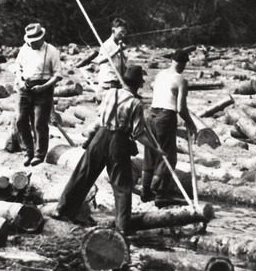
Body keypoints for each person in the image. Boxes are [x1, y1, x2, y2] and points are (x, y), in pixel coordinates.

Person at [56, 65, 162, 234]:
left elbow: (100, 114)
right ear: (139, 85)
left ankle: (62, 210)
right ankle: (122, 228)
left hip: (100, 136)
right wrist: (155, 148)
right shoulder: (136, 103)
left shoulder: (110, 93)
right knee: (121, 186)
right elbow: (138, 134)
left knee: (82, 174)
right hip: (118, 142)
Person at [141, 47, 197, 205]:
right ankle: (159, 193)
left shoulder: (160, 75)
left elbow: (153, 86)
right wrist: (191, 124)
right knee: (168, 156)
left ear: (172, 60)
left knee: (151, 153)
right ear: (183, 64)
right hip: (166, 116)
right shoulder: (181, 80)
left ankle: (145, 190)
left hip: (151, 115)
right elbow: (181, 109)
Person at [14, 22, 61, 166]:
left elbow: (58, 75)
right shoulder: (25, 49)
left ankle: (39, 154)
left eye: (34, 42)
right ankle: (27, 151)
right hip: (25, 87)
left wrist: (44, 86)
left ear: (41, 38)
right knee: (20, 120)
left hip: (43, 89)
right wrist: (21, 82)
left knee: (39, 123)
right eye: (29, 42)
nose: (31, 44)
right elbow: (17, 67)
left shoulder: (52, 51)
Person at [77, 18, 127, 93]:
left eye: (125, 33)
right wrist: (117, 50)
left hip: (118, 82)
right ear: (113, 30)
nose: (123, 35)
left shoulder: (118, 45)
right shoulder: (107, 45)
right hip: (108, 83)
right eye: (121, 32)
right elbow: (100, 60)